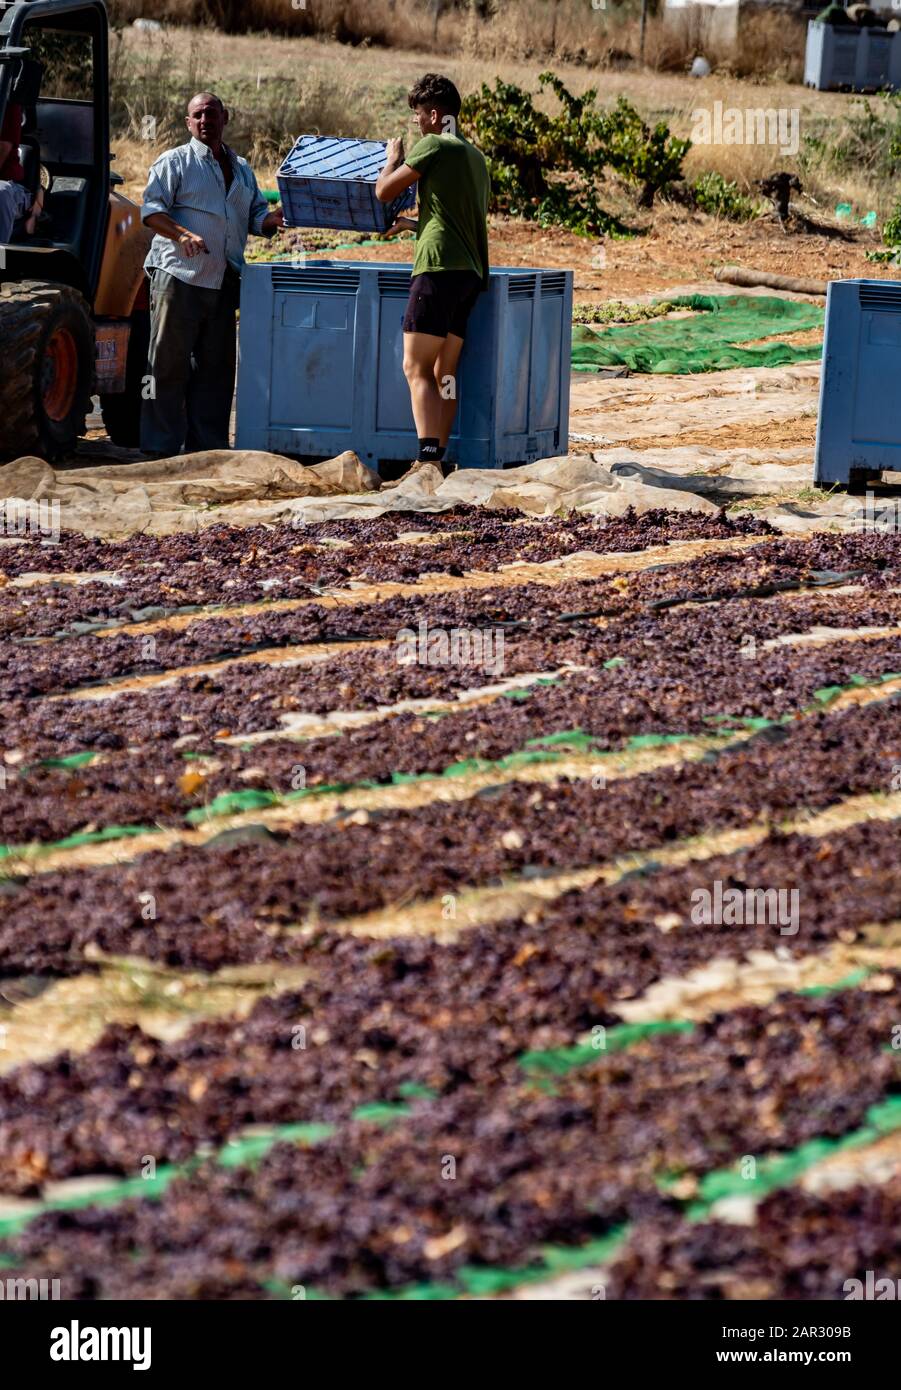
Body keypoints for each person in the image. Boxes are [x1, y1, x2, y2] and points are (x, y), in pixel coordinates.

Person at [140, 91, 283, 457]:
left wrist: (273, 220)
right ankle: (160, 450)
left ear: (225, 118)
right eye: (198, 115)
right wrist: (182, 234)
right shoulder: (175, 162)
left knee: (216, 371)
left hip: (223, 281)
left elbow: (255, 218)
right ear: (188, 123)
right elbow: (151, 212)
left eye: (212, 114)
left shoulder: (243, 169)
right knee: (167, 366)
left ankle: (208, 451)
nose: (205, 120)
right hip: (179, 278)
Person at [375, 73, 489, 486]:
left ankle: (425, 464)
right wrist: (411, 224)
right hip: (470, 273)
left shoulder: (433, 145)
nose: (417, 123)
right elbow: (451, 214)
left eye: (419, 115)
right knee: (446, 372)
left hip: (437, 268)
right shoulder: (473, 156)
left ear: (436, 115)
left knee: (415, 366)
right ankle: (437, 458)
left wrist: (392, 157)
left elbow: (384, 191)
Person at [0, 85, 42, 244]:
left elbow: (3, 147)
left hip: (11, 186)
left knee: (0, 193)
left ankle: (0, 261)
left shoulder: (7, 102)